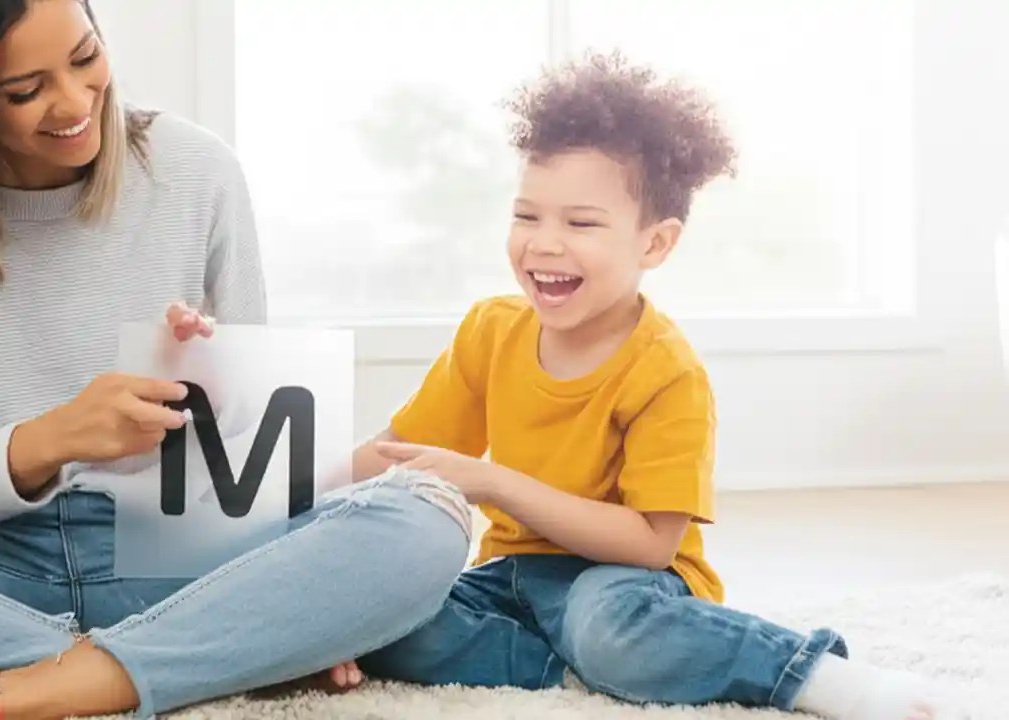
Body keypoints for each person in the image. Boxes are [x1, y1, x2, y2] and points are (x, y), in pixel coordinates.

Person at [0, 1, 471, 718]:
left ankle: (40, 685)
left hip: (184, 553)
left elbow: (254, 468)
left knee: (424, 514)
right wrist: (60, 435)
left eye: (86, 56)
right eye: (26, 90)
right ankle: (202, 658)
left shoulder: (197, 171)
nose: (77, 99)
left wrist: (219, 388)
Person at [348, 52, 968, 720]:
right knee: (390, 621)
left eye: (580, 223)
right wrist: (285, 493)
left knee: (609, 628)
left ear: (656, 244)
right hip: (509, 581)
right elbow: (399, 449)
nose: (544, 244)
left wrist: (494, 482)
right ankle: (572, 669)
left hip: (629, 583)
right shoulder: (490, 330)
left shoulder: (667, 370)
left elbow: (650, 542)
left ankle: (807, 671)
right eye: (527, 216)